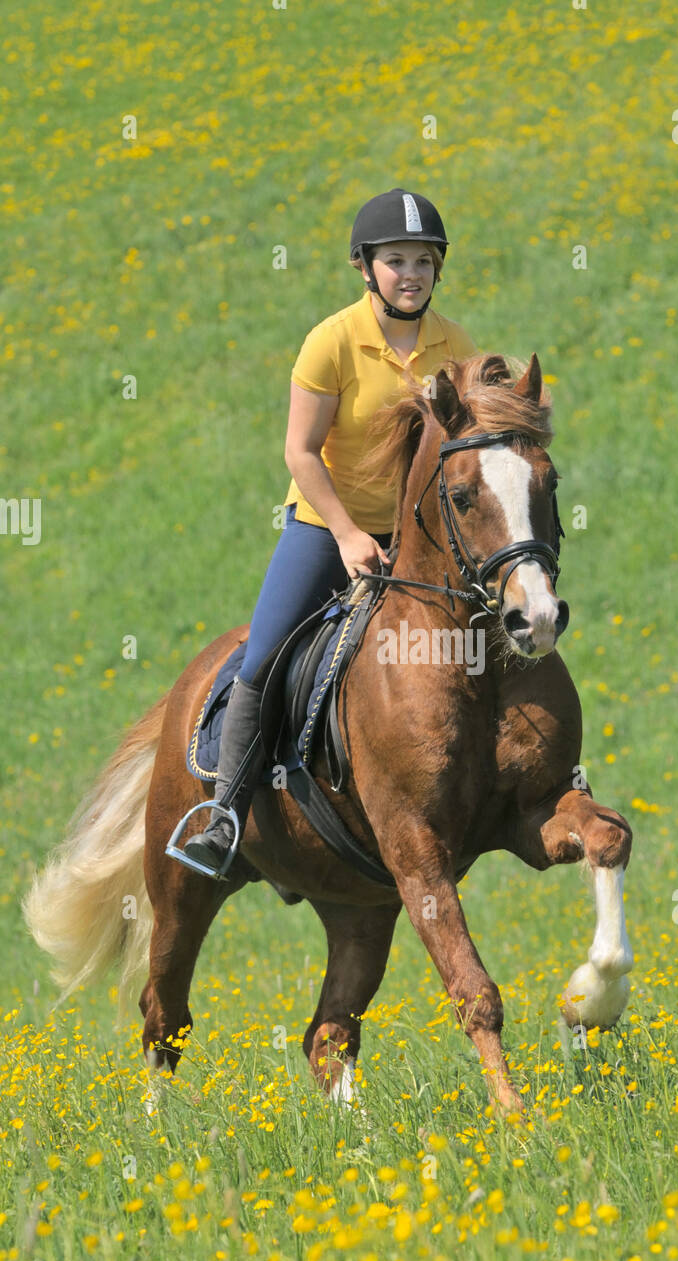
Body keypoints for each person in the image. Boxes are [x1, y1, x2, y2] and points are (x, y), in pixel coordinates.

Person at [173, 188, 478, 878]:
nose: (412, 274)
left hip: (414, 538)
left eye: (424, 261)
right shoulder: (330, 341)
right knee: (265, 654)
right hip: (324, 525)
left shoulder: (454, 347)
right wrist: (344, 535)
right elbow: (300, 453)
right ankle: (223, 814)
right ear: (364, 268)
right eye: (396, 260)